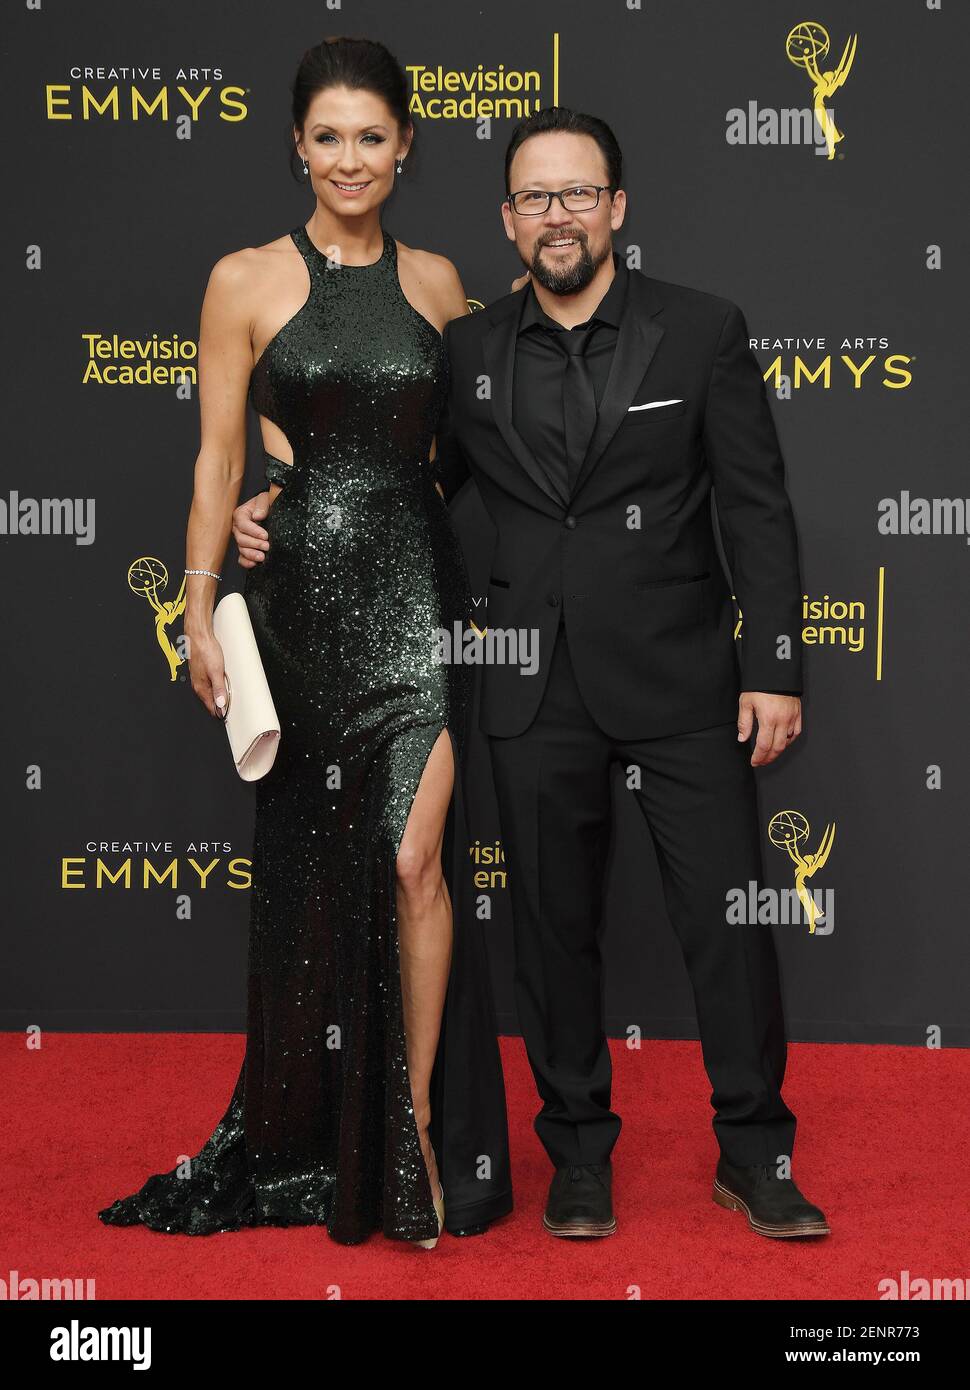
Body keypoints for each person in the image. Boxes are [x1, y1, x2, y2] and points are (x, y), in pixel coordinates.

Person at [234, 105, 829, 1242]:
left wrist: (776, 666)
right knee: (553, 934)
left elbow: (757, 507)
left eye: (579, 193)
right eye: (536, 198)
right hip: (528, 685)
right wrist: (274, 506)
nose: (559, 216)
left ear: (617, 207)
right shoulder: (465, 352)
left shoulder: (702, 331)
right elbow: (407, 481)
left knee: (729, 926)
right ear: (508, 219)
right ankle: (579, 1156)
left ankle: (756, 1154)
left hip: (685, 684)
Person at [97, 36, 512, 1248]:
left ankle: (415, 1132)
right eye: (327, 137)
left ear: (406, 148)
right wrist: (199, 590)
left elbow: (465, 459)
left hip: (418, 607)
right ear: (296, 144)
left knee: (414, 861)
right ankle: (315, 1128)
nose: (349, 158)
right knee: (316, 887)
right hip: (300, 612)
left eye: (371, 137)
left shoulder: (443, 286)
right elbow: (217, 457)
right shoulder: (242, 280)